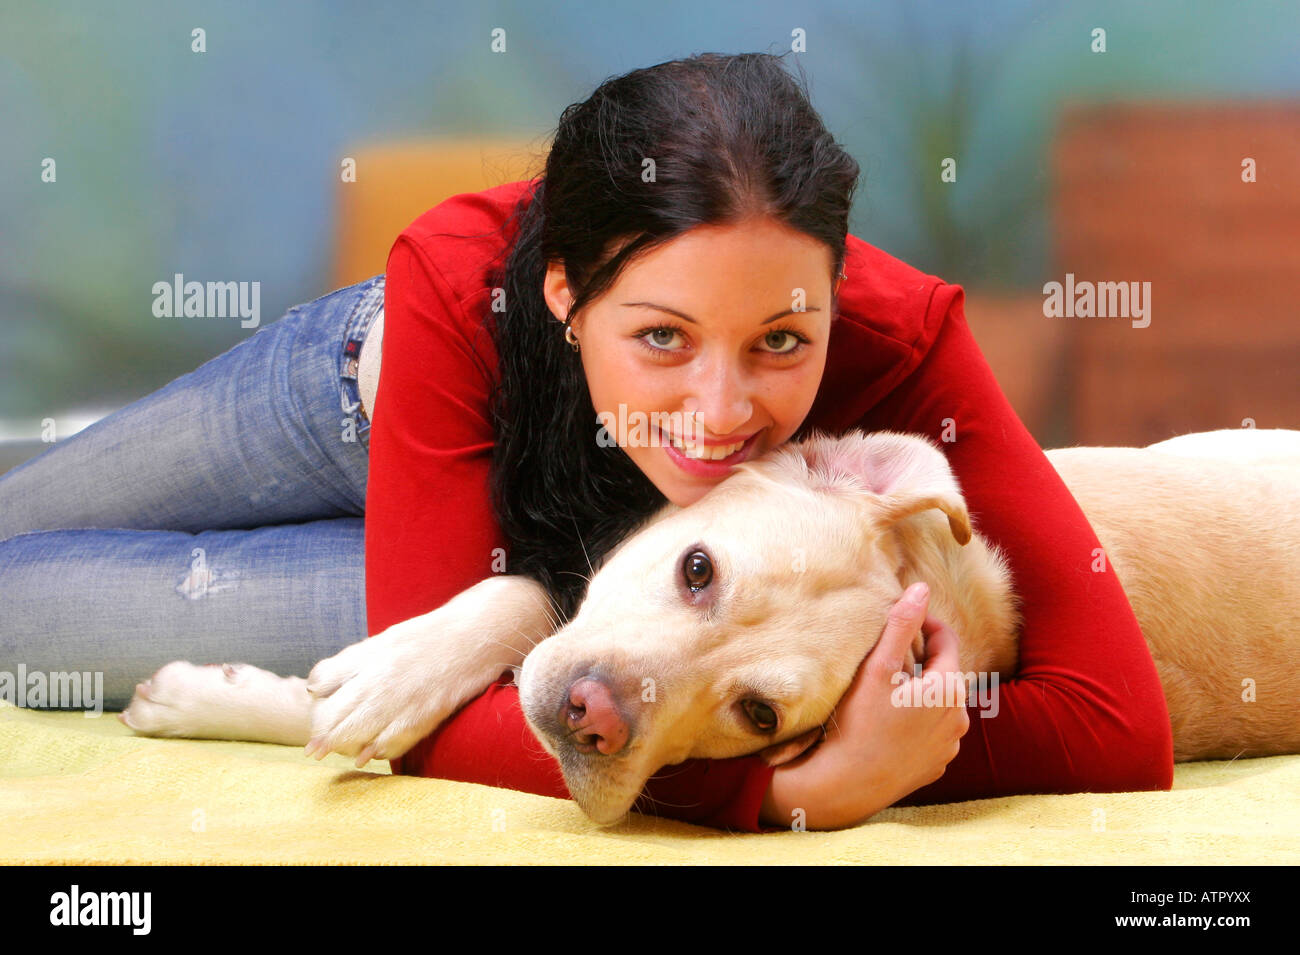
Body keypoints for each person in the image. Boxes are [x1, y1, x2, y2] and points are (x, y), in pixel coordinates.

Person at [0, 52, 1173, 833]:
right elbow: (438, 723)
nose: (721, 414)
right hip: (367, 407)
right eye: (662, 336)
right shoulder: (463, 281)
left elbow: (1117, 726)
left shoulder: (898, 343)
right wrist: (791, 788)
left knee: (19, 611)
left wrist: (865, 759)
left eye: (780, 340)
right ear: (563, 292)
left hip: (522, 591)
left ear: (832, 294)